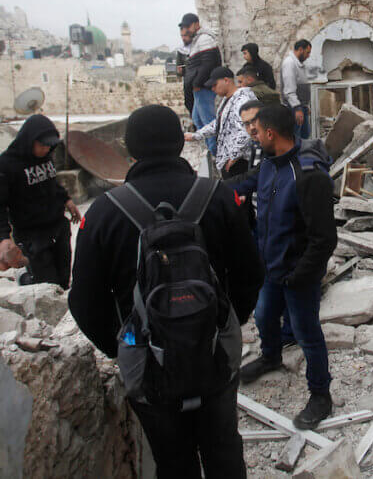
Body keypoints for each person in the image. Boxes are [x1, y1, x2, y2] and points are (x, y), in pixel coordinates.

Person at [68, 104, 264, 478]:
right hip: (215, 356)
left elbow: (83, 301)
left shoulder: (105, 213)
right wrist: (224, 324)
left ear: (131, 149)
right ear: (179, 144)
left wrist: (124, 344)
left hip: (147, 366)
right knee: (223, 450)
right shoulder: (217, 196)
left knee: (173, 461)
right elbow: (251, 273)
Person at [233, 105, 337, 429]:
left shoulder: (308, 175)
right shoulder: (269, 165)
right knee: (264, 316)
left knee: (307, 334)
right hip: (271, 268)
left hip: (296, 276)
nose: (253, 134)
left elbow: (324, 240)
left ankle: (321, 395)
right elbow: (243, 185)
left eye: (257, 129)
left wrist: (299, 276)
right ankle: (271, 356)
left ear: (271, 134)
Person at [0, 114, 81, 289]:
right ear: (29, 140)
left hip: (58, 228)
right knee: (48, 286)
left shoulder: (44, 157)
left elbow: (51, 183)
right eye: (42, 145)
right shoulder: (4, 166)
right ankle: (25, 278)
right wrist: (3, 237)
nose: (46, 149)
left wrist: (67, 200)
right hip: (32, 235)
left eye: (49, 146)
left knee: (63, 279)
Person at [185, 67, 257, 179]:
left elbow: (246, 131)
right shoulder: (227, 100)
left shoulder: (242, 101)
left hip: (240, 162)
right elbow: (218, 124)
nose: (213, 89)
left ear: (226, 80)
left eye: (215, 84)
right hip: (230, 160)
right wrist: (196, 135)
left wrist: (233, 157)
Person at [179, 13, 222, 154]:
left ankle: (216, 152)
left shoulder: (204, 39)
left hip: (203, 87)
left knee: (207, 121)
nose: (186, 31)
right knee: (198, 119)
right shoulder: (197, 40)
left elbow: (208, 64)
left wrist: (197, 83)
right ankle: (211, 150)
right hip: (199, 87)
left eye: (188, 27)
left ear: (196, 25)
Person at [279, 39, 313, 139]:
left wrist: (305, 106)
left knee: (304, 137)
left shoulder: (299, 64)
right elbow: (289, 91)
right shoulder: (289, 63)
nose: (308, 56)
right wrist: (297, 108)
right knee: (296, 139)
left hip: (300, 107)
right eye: (307, 52)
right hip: (293, 109)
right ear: (300, 50)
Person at [176, 27, 194, 117]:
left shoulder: (197, 47)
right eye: (182, 36)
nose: (183, 38)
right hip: (187, 83)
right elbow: (179, 68)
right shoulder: (181, 50)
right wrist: (179, 71)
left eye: (185, 36)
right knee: (189, 104)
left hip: (197, 82)